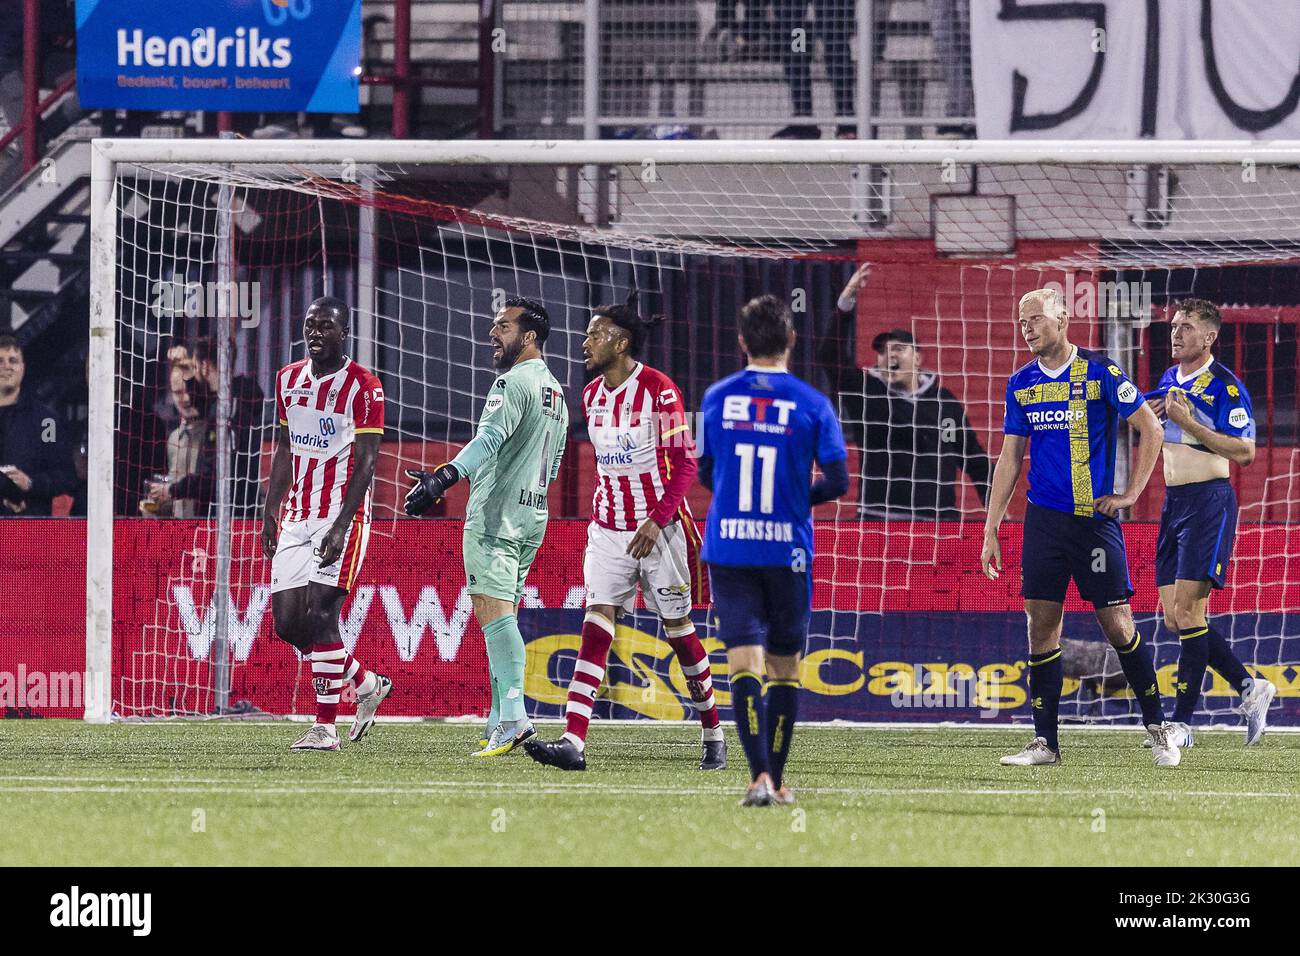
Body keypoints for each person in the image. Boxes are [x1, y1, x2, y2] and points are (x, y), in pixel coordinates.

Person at [525, 292, 725, 772]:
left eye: (595, 334)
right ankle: (574, 742)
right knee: (596, 624)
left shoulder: (660, 390)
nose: (584, 342)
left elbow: (685, 464)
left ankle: (714, 732)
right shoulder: (591, 395)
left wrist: (656, 521)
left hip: (662, 531)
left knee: (678, 632)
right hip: (608, 529)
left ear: (622, 341)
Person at [981, 288, 1180, 767]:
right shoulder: (1021, 383)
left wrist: (1130, 495)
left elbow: (1151, 428)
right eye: (1021, 319)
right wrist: (991, 527)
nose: (1026, 327)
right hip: (1043, 522)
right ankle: (1045, 743)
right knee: (1041, 629)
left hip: (1093, 522)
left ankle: (1158, 729)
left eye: (1035, 318)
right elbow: (1010, 458)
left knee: (1118, 625)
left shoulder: (1102, 372)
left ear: (1063, 319)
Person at [699, 294, 849, 806]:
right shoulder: (812, 404)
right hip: (788, 552)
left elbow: (705, 471)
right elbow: (838, 480)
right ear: (791, 339)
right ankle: (779, 783)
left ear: (741, 342)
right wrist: (792, 498)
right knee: (785, 668)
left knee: (743, 664)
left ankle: (757, 777)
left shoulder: (718, 397)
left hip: (730, 547)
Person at [404, 296, 568, 758]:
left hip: (495, 519)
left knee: (494, 620)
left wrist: (443, 477)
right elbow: (553, 467)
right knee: (505, 616)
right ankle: (499, 722)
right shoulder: (556, 390)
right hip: (532, 517)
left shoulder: (511, 382)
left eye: (503, 326)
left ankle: (515, 718)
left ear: (529, 335)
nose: (492, 333)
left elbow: (489, 439)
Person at [261, 297, 392, 751]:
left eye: (326, 326)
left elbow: (368, 461)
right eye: (309, 324)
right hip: (297, 514)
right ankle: (367, 682)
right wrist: (270, 508)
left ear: (345, 333)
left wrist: (341, 524)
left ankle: (325, 727)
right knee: (287, 624)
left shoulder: (365, 387)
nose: (315, 333)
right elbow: (284, 447)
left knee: (320, 614)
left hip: (341, 515)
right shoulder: (287, 379)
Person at [1147, 299, 1276, 746]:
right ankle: (1249, 687)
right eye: (1174, 326)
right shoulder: (1167, 379)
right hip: (1174, 504)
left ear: (1209, 337)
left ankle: (1180, 725)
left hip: (1209, 503)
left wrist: (1189, 423)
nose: (1176, 333)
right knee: (1172, 618)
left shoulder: (1227, 387)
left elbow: (1244, 452)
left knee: (1188, 612)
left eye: (1186, 327)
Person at [841, 328, 990, 520]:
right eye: (883, 352)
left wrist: (996, 506)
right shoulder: (866, 394)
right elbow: (828, 354)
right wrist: (844, 303)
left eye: (899, 348)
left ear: (917, 358)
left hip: (938, 523)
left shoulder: (944, 402)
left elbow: (973, 458)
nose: (890, 355)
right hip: (880, 521)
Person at [0, 335, 75, 515]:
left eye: (13, 360)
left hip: (30, 529)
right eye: (0, 361)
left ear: (22, 368)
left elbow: (65, 476)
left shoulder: (46, 421)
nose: (7, 366)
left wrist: (31, 483)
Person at [141, 358, 219, 518]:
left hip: (207, 526)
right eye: (178, 392)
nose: (186, 399)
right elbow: (175, 499)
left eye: (189, 391)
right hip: (178, 529)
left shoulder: (212, 434)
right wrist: (157, 505)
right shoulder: (173, 439)